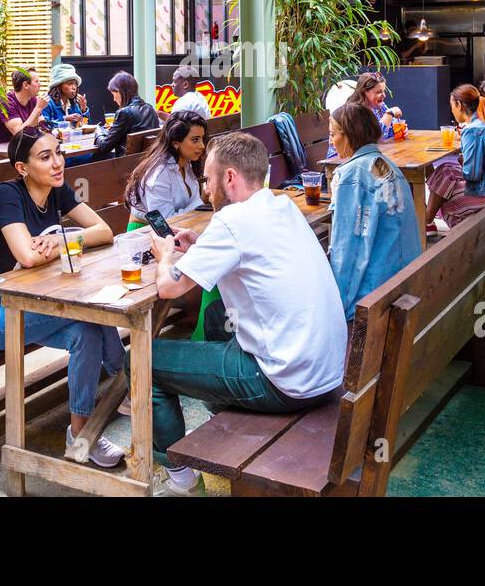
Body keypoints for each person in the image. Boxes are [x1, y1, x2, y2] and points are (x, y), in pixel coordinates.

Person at [148, 132, 348, 496]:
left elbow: (169, 288)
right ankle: (223, 414)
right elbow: (246, 249)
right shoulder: (280, 204)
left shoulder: (230, 223)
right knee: (214, 317)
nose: (206, 189)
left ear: (229, 178)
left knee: (146, 360)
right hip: (327, 372)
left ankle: (180, 475)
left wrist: (165, 256)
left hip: (286, 383)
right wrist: (200, 244)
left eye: (208, 179)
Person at [0, 127, 127, 468]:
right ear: (22, 168)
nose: (57, 163)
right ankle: (127, 385)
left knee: (85, 330)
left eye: (58, 153)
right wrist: (56, 247)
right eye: (45, 156)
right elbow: (29, 256)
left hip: (33, 300)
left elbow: (104, 231)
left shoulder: (57, 190)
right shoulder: (7, 195)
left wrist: (63, 239)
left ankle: (80, 433)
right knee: (92, 312)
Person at [326, 103, 421, 320]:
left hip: (376, 299)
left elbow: (348, 250)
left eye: (333, 134)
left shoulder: (352, 175)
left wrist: (334, 310)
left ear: (349, 135)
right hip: (404, 287)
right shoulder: (387, 165)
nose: (331, 141)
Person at [424, 85, 485, 231]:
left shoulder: (473, 130)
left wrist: (464, 161)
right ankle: (426, 221)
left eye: (452, 105)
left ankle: (426, 222)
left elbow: (472, 175)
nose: (451, 110)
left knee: (447, 198)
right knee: (446, 171)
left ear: (459, 105)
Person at [124, 111, 207, 229]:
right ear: (176, 143)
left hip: (184, 227)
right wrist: (201, 201)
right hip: (145, 233)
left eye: (202, 139)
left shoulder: (187, 162)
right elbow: (165, 223)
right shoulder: (159, 173)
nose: (202, 146)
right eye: (195, 140)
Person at [93, 71, 159, 159]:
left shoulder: (124, 112)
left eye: (114, 94)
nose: (114, 99)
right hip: (147, 161)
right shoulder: (150, 108)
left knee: (91, 158)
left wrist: (98, 131)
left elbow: (105, 146)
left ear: (120, 92)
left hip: (126, 165)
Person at [0, 68, 48, 146]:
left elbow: (42, 126)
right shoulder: (6, 102)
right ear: (26, 85)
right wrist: (38, 109)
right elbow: (19, 134)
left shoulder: (32, 100)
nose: (40, 84)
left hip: (18, 148)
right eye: (36, 81)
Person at [44, 62, 91, 127]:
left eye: (76, 84)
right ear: (59, 85)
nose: (74, 87)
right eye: (70, 83)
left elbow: (84, 126)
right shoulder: (47, 102)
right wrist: (64, 119)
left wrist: (84, 110)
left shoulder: (74, 104)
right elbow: (44, 126)